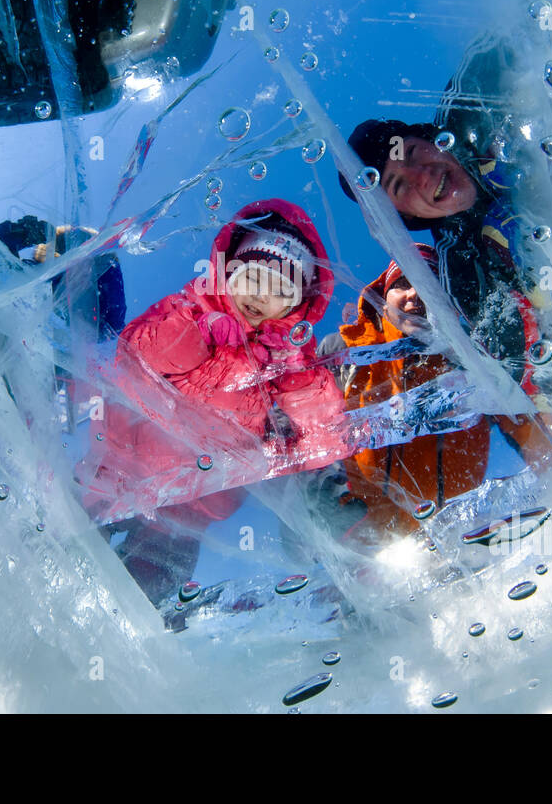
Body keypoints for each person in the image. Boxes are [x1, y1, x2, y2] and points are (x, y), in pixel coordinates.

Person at [76, 199, 349, 602]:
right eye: (253, 278)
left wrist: (301, 381)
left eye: (280, 291)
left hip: (193, 502)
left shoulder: (289, 359)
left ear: (295, 305)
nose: (261, 296)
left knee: (146, 591)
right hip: (116, 470)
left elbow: (319, 434)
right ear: (229, 272)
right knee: (71, 541)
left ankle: (142, 623)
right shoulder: (189, 308)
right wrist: (197, 332)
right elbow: (135, 355)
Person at [333, 246, 552, 543]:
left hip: (458, 538)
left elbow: (532, 431)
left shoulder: (476, 359)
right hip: (367, 541)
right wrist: (326, 502)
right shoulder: (347, 357)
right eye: (400, 284)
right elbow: (306, 434)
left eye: (427, 281)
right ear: (383, 306)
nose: (414, 293)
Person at [341, 119, 550, 403]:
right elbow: (524, 367)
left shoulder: (482, 125)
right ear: (408, 216)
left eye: (412, 152)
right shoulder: (463, 269)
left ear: (432, 139)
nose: (422, 176)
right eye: (399, 186)